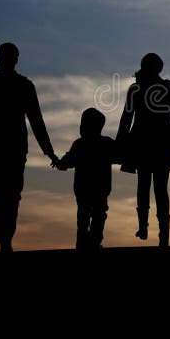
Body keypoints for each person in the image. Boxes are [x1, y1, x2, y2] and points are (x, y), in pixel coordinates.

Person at [0, 42, 58, 253]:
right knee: (2, 191)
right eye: (8, 55)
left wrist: (49, 151)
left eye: (13, 56)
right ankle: (5, 237)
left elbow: (36, 121)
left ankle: (5, 236)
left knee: (10, 192)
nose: (11, 59)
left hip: (14, 146)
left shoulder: (23, 86)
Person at [117, 53, 170, 248]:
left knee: (144, 184)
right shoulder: (167, 87)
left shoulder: (136, 88)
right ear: (159, 68)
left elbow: (126, 118)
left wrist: (120, 143)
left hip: (144, 141)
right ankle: (162, 234)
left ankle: (144, 227)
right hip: (163, 142)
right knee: (160, 189)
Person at [55, 108, 121, 252]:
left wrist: (60, 163)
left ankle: (83, 244)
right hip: (101, 188)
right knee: (99, 215)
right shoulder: (106, 143)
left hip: (83, 189)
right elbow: (120, 155)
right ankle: (94, 243)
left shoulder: (79, 144)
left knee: (83, 218)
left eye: (83, 124)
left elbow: (67, 161)